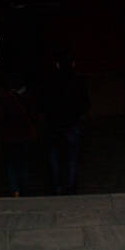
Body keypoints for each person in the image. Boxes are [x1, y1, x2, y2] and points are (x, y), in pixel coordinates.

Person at [39, 50, 89, 195]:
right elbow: (85, 103)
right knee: (72, 157)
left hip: (53, 124)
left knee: (54, 156)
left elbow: (43, 103)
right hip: (72, 123)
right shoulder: (78, 81)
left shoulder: (50, 81)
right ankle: (70, 186)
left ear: (57, 64)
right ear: (73, 64)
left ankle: (56, 185)